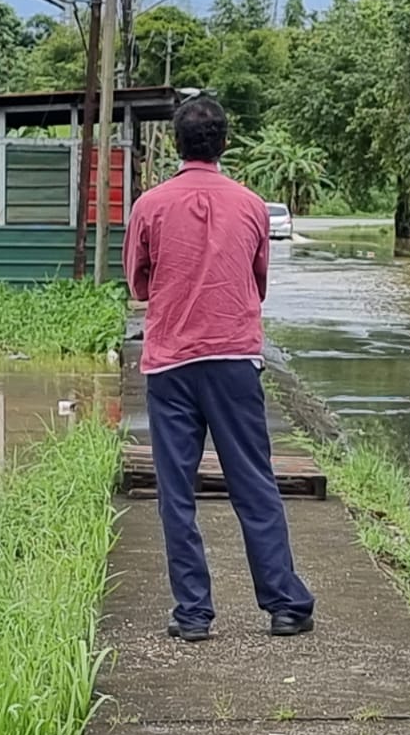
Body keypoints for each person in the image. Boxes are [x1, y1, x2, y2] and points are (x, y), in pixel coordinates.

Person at [125, 95, 316, 642]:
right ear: (225, 144)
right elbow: (258, 284)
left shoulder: (150, 205)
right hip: (233, 360)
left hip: (171, 365)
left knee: (176, 491)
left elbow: (138, 284)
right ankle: (284, 603)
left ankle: (193, 614)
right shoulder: (253, 205)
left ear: (178, 146)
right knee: (253, 482)